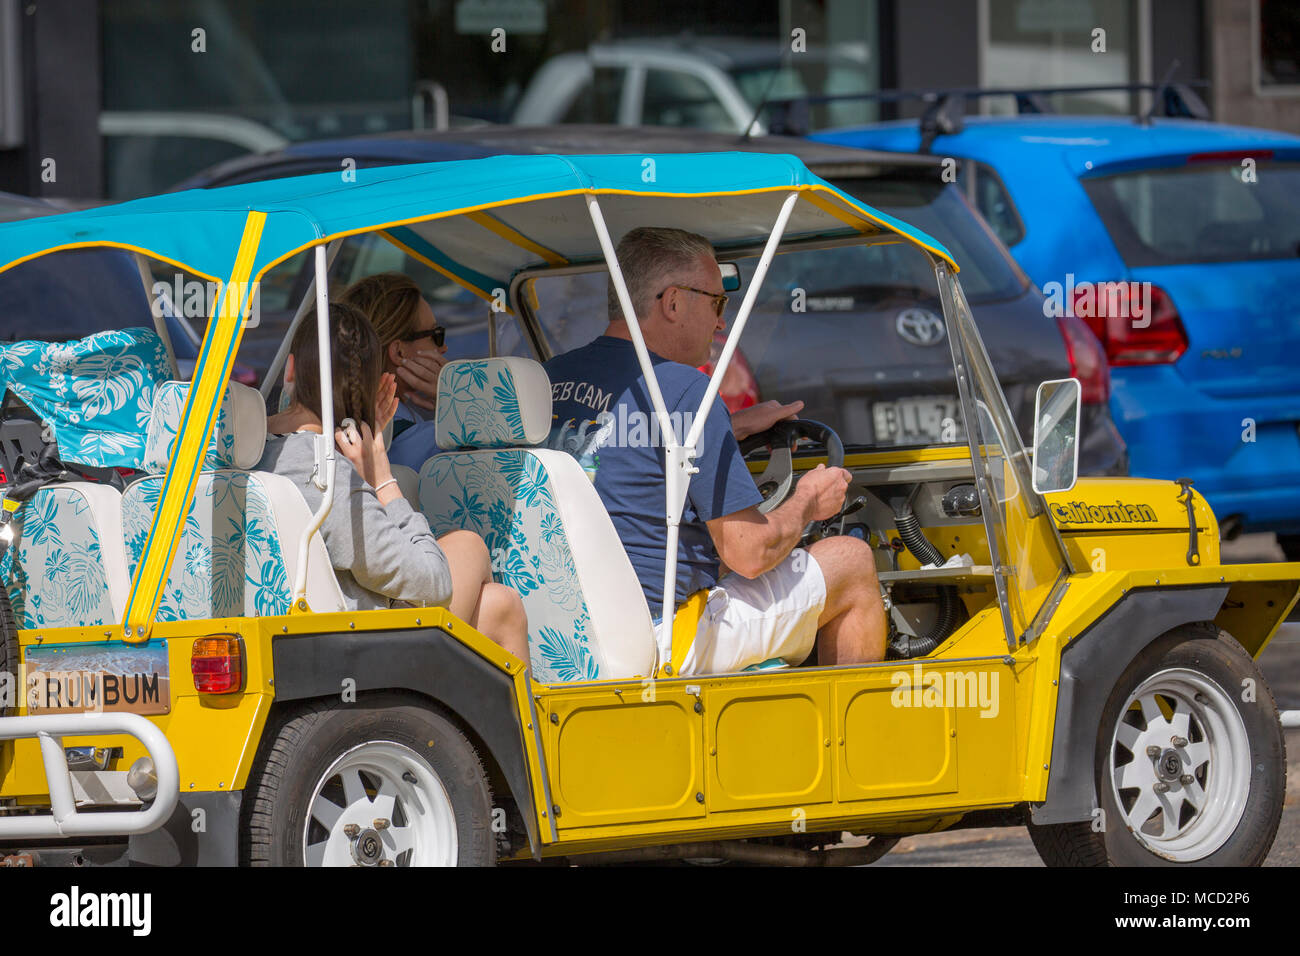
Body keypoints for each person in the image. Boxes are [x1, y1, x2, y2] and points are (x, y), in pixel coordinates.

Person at [544, 227, 887, 675]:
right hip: (661, 638)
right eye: (716, 302)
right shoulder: (687, 390)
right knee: (852, 561)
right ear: (672, 303)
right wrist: (808, 500)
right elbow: (749, 555)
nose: (721, 322)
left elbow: (617, 445)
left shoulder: (550, 380)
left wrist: (729, 426)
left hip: (562, 629)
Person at [259, 300, 530, 666]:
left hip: (291, 644)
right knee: (469, 544)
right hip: (364, 658)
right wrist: (381, 477)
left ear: (290, 369)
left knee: (500, 605)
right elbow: (433, 584)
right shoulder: (328, 474)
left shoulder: (248, 454)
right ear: (372, 386)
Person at [339, 272, 449, 471]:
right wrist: (457, 399)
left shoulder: (326, 425)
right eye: (436, 335)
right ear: (399, 352)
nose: (443, 348)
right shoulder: (439, 444)